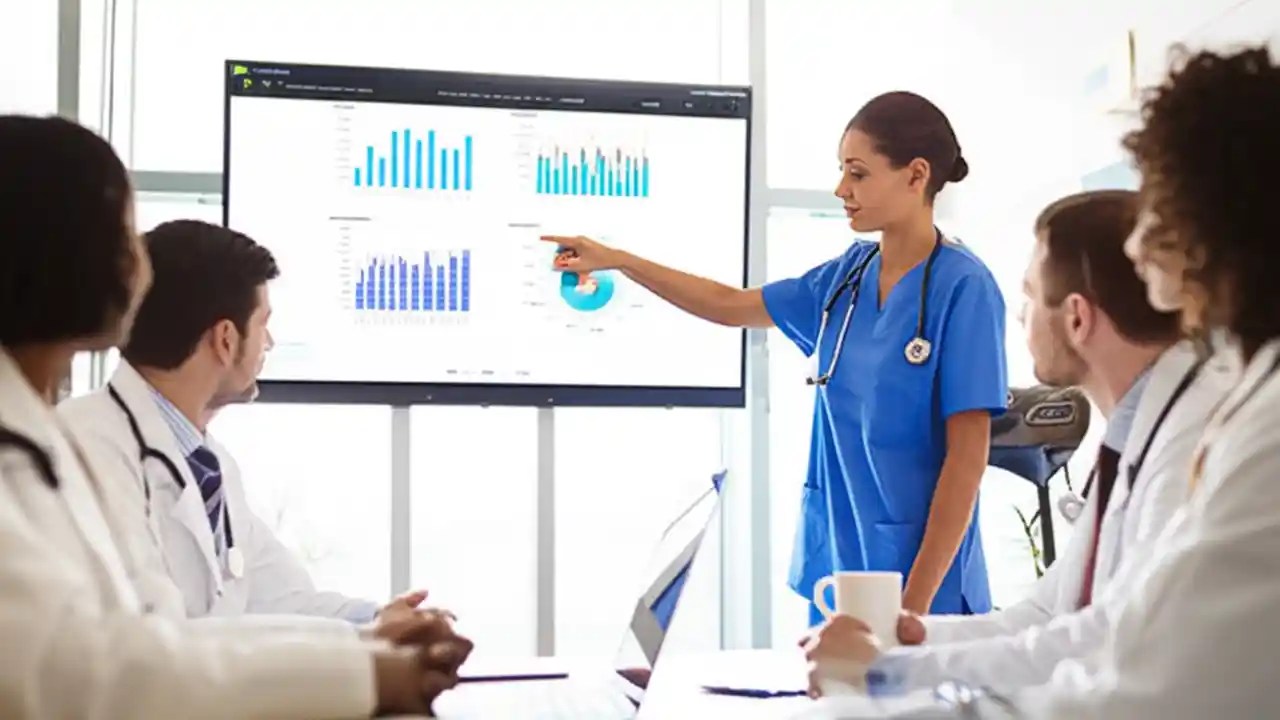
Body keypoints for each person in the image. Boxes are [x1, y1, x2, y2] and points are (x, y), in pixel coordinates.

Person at [800, 44, 1280, 720]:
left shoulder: (1237, 431)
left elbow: (1138, 686)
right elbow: (1080, 625)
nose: (1140, 248)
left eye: (1160, 213)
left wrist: (886, 688)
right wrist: (898, 656)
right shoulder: (1192, 417)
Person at [0, 115, 470, 718]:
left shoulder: (183, 457)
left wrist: (373, 635)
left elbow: (252, 606)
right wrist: (362, 671)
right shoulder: (74, 445)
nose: (138, 267)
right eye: (122, 237)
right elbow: (96, 673)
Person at [546, 91, 1007, 621]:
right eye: (841, 172)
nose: (841, 189)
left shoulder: (964, 289)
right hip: (843, 565)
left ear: (916, 174)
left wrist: (914, 610)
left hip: (925, 584)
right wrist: (618, 260)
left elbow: (967, 464)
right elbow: (730, 304)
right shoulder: (846, 278)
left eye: (857, 174)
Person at [800, 189, 1236, 694]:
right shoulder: (1136, 434)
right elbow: (1049, 614)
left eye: (1029, 296)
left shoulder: (1190, 446)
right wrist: (906, 638)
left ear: (1077, 318)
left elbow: (1115, 647)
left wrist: (887, 671)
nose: (1019, 317)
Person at [58, 219, 423, 624]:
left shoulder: (211, 467)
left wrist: (382, 621)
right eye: (263, 324)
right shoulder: (87, 444)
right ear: (226, 339)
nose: (269, 343)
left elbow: (285, 601)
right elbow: (148, 638)